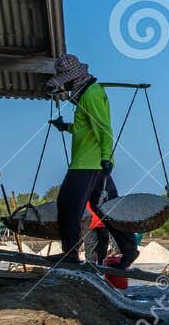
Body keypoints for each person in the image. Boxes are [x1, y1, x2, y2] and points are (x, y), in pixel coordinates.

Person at [45, 53, 136, 268]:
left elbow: (104, 128)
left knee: (68, 205)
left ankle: (70, 253)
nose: (64, 87)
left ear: (72, 78)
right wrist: (65, 127)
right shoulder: (86, 94)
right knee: (106, 208)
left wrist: (107, 158)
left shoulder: (92, 95)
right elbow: (83, 129)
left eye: (65, 82)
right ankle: (129, 248)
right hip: (90, 161)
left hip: (87, 164)